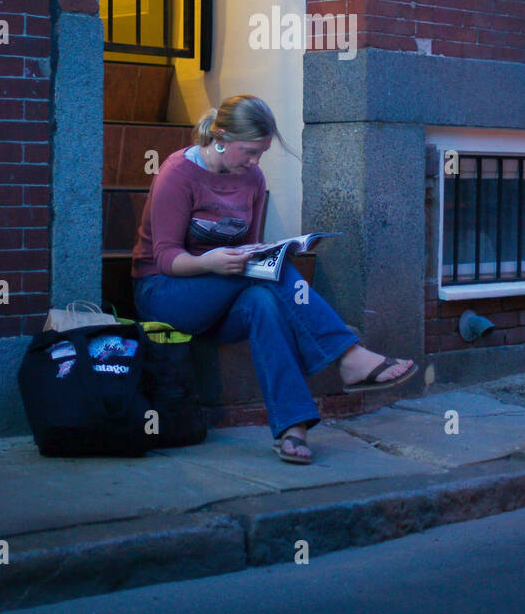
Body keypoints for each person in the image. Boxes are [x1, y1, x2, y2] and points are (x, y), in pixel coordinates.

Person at [131, 94, 418, 463]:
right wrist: (214, 263)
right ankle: (347, 354)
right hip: (165, 292)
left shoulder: (251, 178)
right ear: (220, 137)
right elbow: (167, 258)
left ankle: (291, 427)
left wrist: (269, 253)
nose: (255, 162)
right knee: (270, 277)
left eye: (261, 153)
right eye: (250, 151)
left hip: (223, 294)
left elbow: (249, 247)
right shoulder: (177, 173)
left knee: (264, 302)